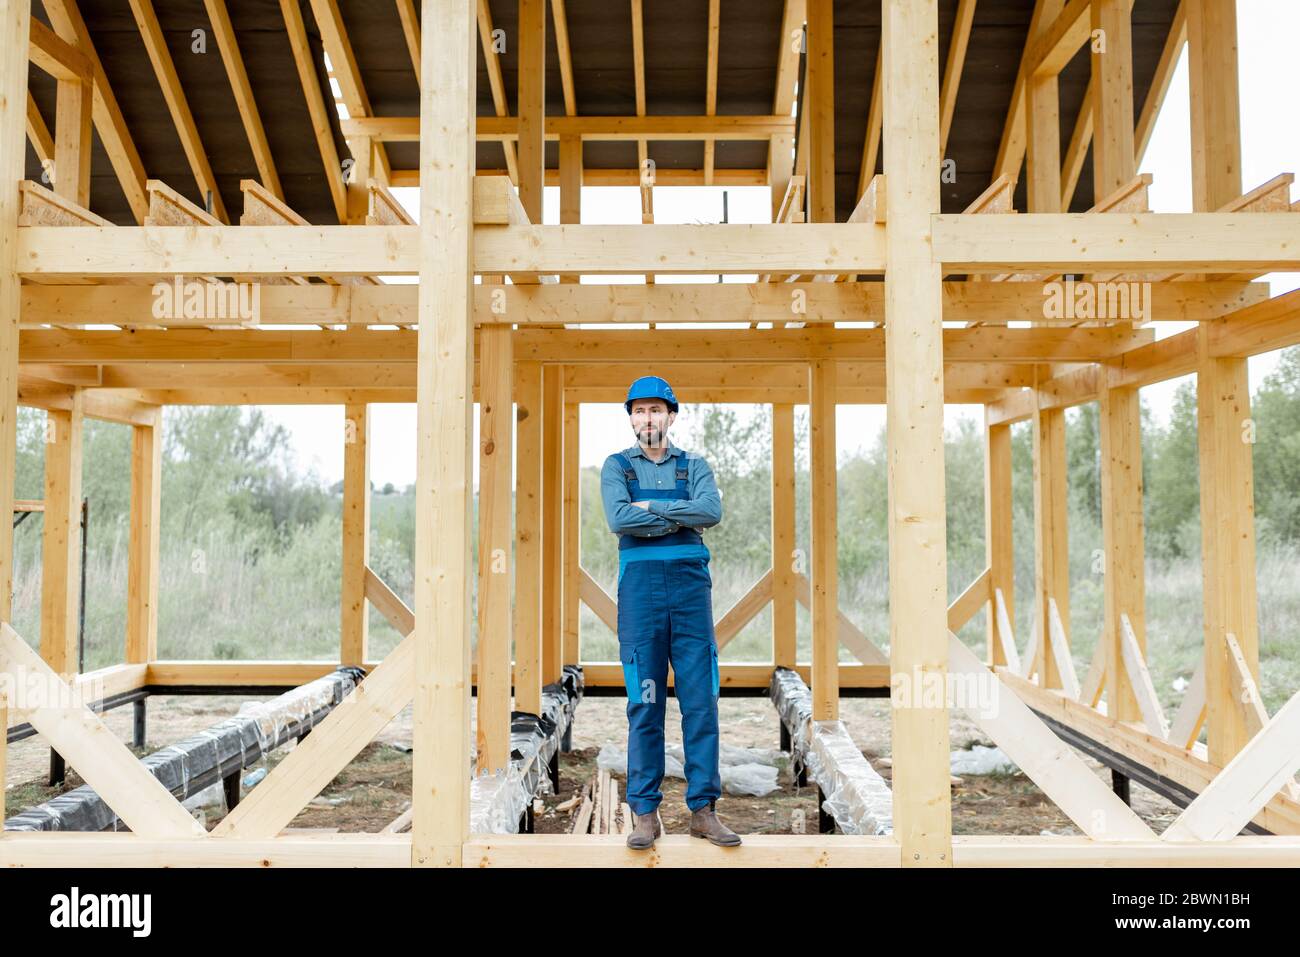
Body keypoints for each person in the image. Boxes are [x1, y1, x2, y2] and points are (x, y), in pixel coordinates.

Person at [600, 375, 741, 850]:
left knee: (701, 702)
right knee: (645, 704)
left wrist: (651, 510)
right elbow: (619, 519)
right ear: (632, 418)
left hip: (689, 594)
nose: (648, 418)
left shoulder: (695, 464)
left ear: (672, 415)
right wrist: (678, 512)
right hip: (641, 597)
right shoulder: (616, 466)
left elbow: (711, 512)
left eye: (656, 410)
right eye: (639, 411)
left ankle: (703, 810)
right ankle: (645, 813)